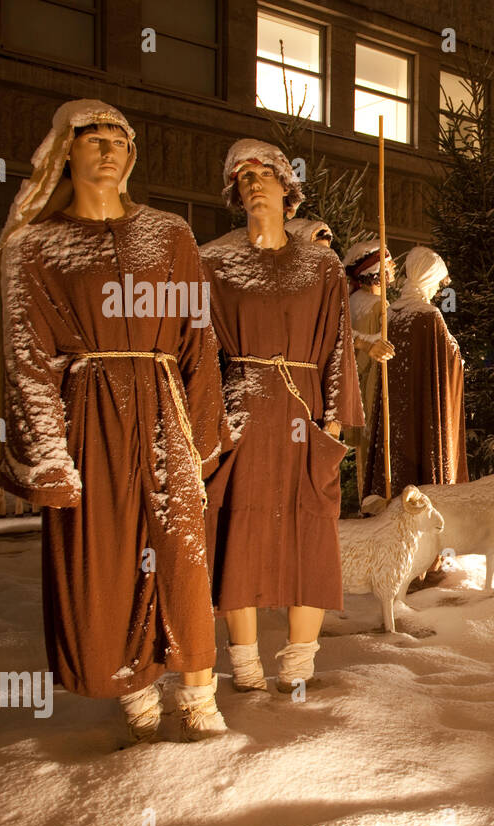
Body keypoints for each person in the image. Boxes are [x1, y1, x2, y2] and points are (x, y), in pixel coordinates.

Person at [0, 100, 229, 742]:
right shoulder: (35, 246)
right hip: (89, 412)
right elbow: (28, 360)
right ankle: (134, 693)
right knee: (106, 560)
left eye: (120, 138)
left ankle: (199, 696)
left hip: (165, 406)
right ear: (66, 150)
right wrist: (51, 458)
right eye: (94, 137)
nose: (109, 148)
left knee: (183, 555)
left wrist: (202, 434)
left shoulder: (170, 234)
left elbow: (198, 338)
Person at [202, 139, 364, 693]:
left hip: (306, 414)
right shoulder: (213, 263)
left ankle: (299, 662)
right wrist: (209, 421)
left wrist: (337, 421)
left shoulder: (320, 265)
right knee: (238, 532)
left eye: (262, 174)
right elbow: (200, 351)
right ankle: (244, 664)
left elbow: (341, 343)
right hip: (242, 411)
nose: (252, 183)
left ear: (285, 185)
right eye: (242, 176)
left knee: (309, 534)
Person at [363, 246, 468, 496]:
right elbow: (449, 360)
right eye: (435, 282)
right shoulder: (429, 316)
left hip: (397, 410)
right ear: (427, 278)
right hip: (424, 409)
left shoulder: (392, 314)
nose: (436, 290)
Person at [342, 240, 396, 503]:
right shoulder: (378, 306)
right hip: (374, 381)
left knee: (364, 448)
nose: (394, 268)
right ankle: (374, 499)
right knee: (375, 444)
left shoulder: (351, 301)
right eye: (389, 264)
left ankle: (366, 495)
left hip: (357, 382)